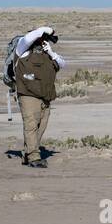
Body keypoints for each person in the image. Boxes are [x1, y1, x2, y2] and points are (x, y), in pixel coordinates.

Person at [12, 26, 66, 169]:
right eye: (41, 38)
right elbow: (29, 38)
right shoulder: (22, 50)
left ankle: (27, 153)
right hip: (28, 95)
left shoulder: (47, 53)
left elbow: (62, 63)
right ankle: (34, 157)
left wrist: (51, 51)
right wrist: (49, 29)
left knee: (40, 127)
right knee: (31, 125)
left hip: (46, 96)